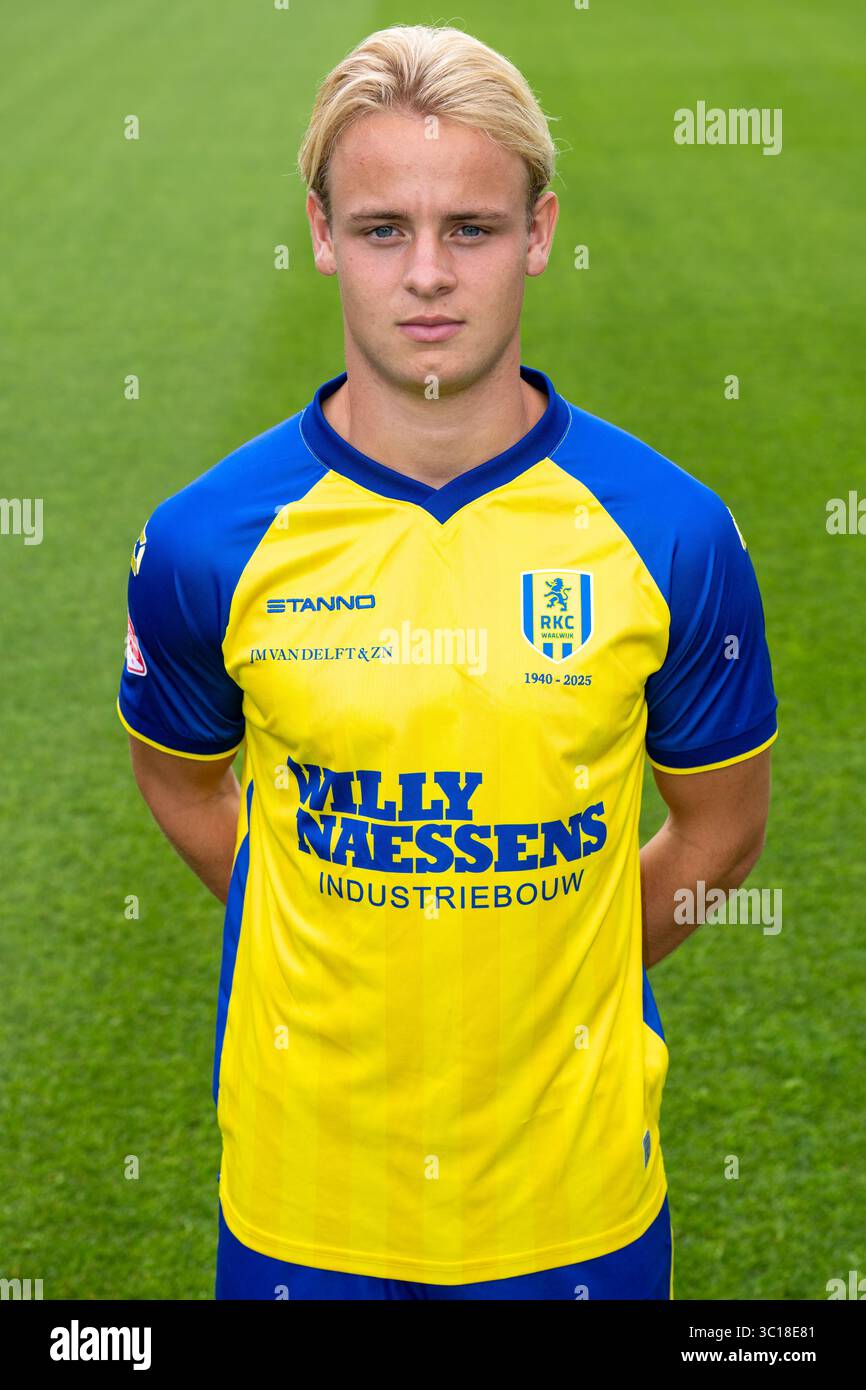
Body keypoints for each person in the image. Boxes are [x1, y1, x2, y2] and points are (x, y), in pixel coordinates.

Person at [116, 24, 777, 1300]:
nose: (427, 275)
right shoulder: (205, 541)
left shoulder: (670, 533)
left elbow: (718, 837)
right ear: (319, 232)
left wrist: (542, 964)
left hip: (575, 1206)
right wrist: (361, 928)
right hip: (302, 1207)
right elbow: (186, 784)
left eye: (469, 229)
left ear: (536, 233)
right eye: (381, 229)